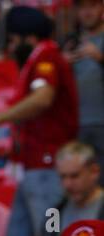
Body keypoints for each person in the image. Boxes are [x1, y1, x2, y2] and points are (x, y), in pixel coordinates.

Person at [0, 7, 80, 236]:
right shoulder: (37, 58)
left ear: (28, 37)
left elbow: (43, 99)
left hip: (47, 162)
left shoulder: (46, 55)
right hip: (32, 162)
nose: (9, 48)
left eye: (12, 39)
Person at [65, 0, 104, 159]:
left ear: (102, 6)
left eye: (92, 5)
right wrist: (61, 65)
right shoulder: (69, 42)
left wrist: (101, 59)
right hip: (75, 124)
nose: (87, 12)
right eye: (82, 7)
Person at [53, 141, 104, 234]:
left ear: (94, 171)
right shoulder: (55, 212)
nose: (67, 184)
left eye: (74, 176)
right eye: (62, 177)